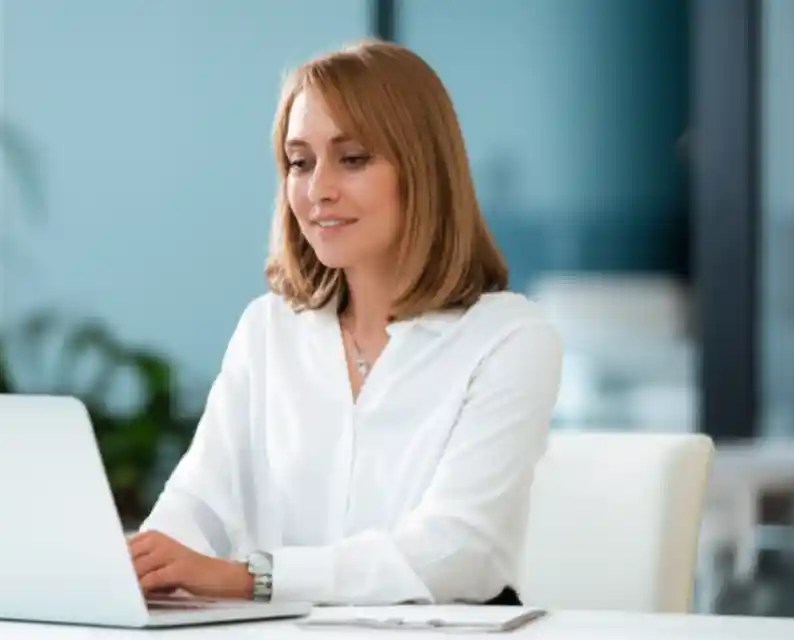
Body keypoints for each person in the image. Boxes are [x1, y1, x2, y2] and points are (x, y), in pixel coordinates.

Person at [127, 40, 563, 606]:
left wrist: (252, 578)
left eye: (352, 158)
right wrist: (149, 564)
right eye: (299, 162)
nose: (318, 190)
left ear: (423, 170)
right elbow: (198, 505)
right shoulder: (268, 331)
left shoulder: (508, 339)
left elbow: (460, 552)